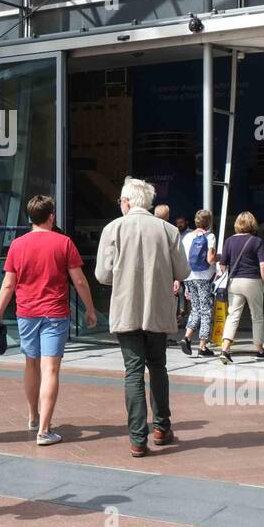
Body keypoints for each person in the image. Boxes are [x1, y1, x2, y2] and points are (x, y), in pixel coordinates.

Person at [0, 194, 97, 446]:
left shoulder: (17, 245)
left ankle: (33, 416)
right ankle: (45, 430)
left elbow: (8, 285)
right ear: (51, 216)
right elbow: (79, 280)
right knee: (51, 369)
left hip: (26, 312)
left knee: (30, 365)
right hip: (55, 313)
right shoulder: (64, 243)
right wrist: (90, 309)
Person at [95, 177, 190, 457]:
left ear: (126, 202)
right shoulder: (168, 230)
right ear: (147, 203)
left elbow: (103, 274)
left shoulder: (113, 229)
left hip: (127, 308)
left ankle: (138, 438)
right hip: (157, 309)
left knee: (133, 372)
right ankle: (161, 427)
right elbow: (182, 271)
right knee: (158, 366)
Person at [218, 211, 264, 363]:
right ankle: (259, 350)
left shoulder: (229, 241)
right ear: (252, 224)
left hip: (234, 281)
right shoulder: (256, 241)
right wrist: (262, 282)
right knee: (257, 316)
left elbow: (222, 265)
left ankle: (225, 349)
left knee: (233, 315)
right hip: (252, 280)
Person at [179, 209, 218, 357]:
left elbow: (182, 259)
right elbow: (210, 259)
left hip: (189, 277)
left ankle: (187, 337)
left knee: (195, 308)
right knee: (206, 310)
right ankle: (202, 346)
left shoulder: (187, 237)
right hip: (204, 277)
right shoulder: (210, 236)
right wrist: (219, 258)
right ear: (208, 222)